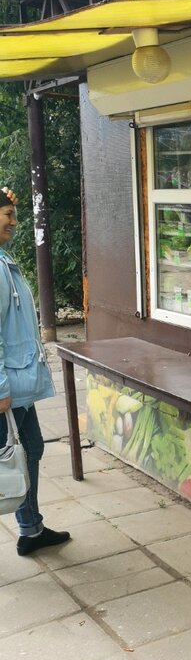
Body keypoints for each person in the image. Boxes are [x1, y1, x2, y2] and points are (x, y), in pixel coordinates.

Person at [0, 186, 70, 556]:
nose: (14, 222)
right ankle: (29, 527)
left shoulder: (4, 260)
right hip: (7, 385)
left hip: (19, 380)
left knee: (29, 449)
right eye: (8, 215)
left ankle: (30, 529)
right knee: (8, 460)